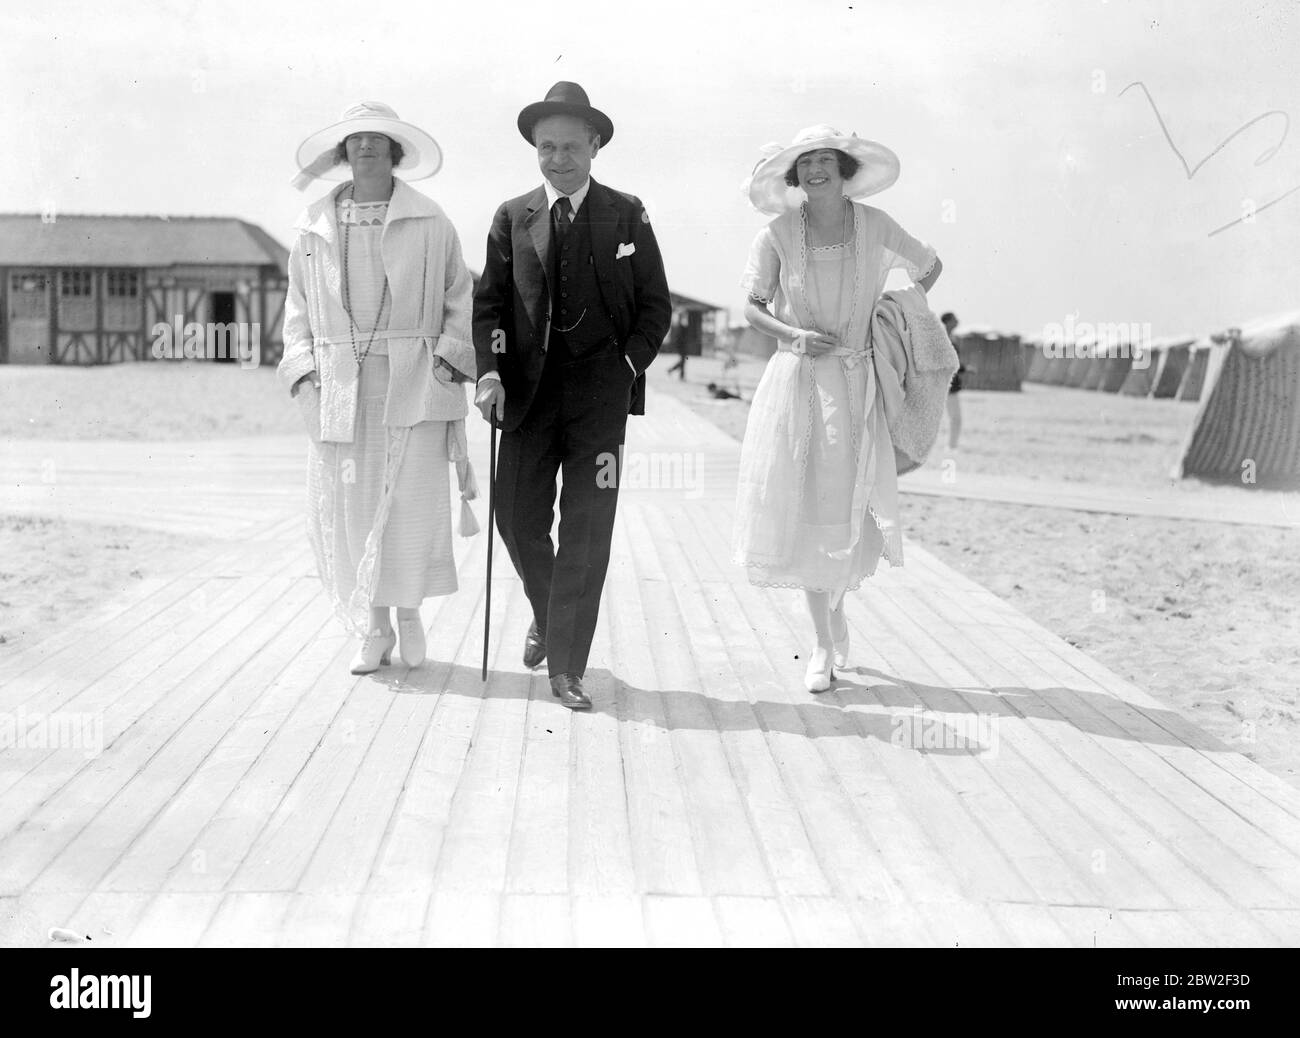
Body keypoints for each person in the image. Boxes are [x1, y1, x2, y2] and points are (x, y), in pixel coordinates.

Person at [473, 82, 671, 709]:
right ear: (536, 148)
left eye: (570, 147)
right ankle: (550, 610)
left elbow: (655, 306)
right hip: (527, 400)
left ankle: (567, 667)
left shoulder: (626, 212)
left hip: (599, 405)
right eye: (546, 147)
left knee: (588, 530)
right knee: (515, 518)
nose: (558, 158)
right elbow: (491, 306)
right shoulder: (512, 215)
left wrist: (626, 366)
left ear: (594, 147)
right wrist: (491, 372)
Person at [734, 125, 944, 692]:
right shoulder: (776, 234)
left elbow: (928, 265)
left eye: (827, 160)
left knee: (844, 503)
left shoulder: (876, 226)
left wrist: (893, 313)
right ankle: (823, 643)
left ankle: (835, 611)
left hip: (858, 383)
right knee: (806, 503)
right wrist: (794, 335)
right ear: (794, 176)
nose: (817, 170)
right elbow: (753, 306)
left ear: (845, 169)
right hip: (798, 382)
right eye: (806, 163)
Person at [281, 101, 478, 675]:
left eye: (378, 139)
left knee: (412, 502)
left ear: (396, 152)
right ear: (342, 153)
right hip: (341, 383)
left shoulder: (431, 219)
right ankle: (374, 628)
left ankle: (410, 614)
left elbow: (458, 296)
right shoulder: (313, 226)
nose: (366, 146)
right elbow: (296, 308)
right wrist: (303, 369)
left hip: (414, 377)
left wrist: (447, 360)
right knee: (354, 503)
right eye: (355, 139)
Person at [941, 311, 965, 450]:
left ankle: (952, 445)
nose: (957, 321)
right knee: (956, 418)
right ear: (948, 321)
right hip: (947, 384)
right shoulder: (944, 338)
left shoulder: (950, 338)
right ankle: (951, 446)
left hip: (949, 383)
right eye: (954, 319)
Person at [665, 314, 689, 379]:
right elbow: (679, 338)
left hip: (682, 346)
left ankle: (673, 371)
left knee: (683, 361)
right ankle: (680, 374)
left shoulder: (682, 327)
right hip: (681, 347)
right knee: (683, 361)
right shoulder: (680, 327)